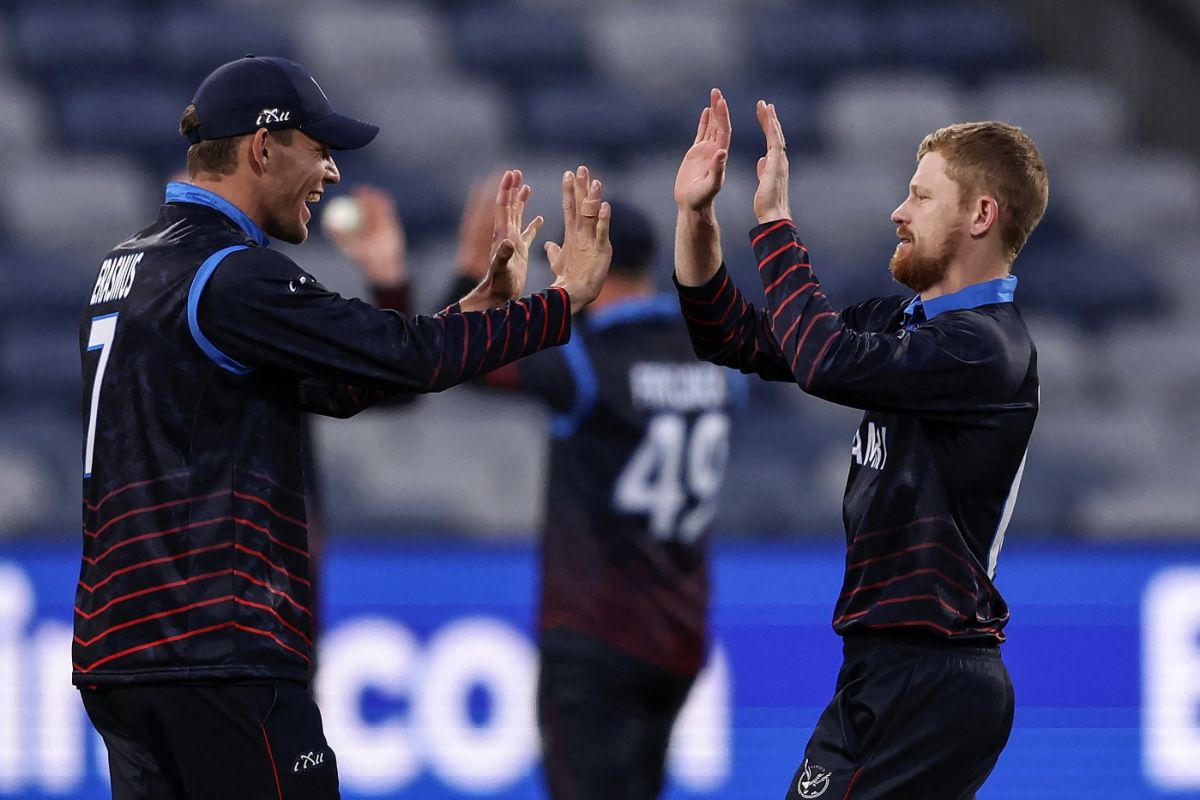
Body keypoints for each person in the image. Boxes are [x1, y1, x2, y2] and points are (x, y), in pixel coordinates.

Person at [74, 55, 612, 800]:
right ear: (264, 147)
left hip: (123, 657)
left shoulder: (126, 266)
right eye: (320, 148)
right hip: (218, 652)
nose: (331, 173)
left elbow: (358, 379)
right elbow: (405, 359)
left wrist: (478, 308)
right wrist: (563, 302)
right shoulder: (231, 275)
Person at [672, 89, 1047, 799]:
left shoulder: (984, 347)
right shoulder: (907, 322)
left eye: (921, 196)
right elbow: (732, 336)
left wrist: (776, 222)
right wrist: (696, 217)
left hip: (930, 670)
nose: (898, 214)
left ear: (981, 215)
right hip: (891, 669)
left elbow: (823, 362)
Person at [350, 183, 737, 800]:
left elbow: (464, 362)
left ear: (599, 260)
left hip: (595, 632)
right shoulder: (712, 358)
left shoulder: (588, 360)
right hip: (681, 632)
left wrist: (471, 278)